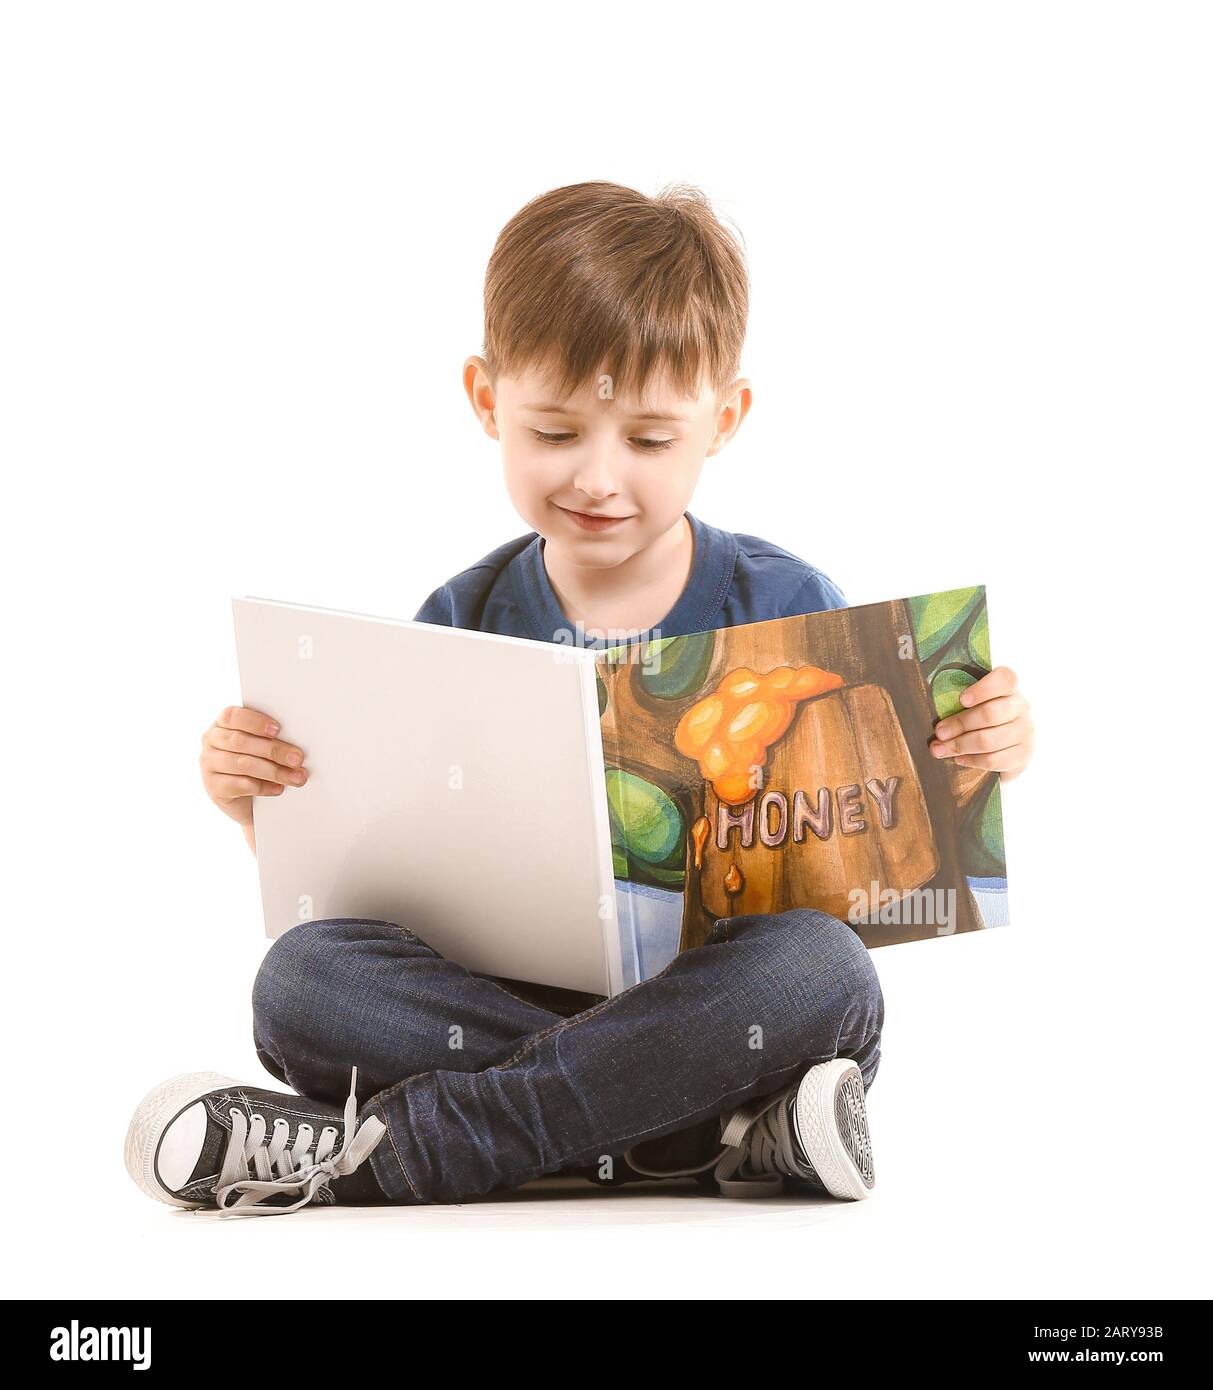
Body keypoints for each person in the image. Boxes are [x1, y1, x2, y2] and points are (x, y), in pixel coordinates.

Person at [125, 181, 1034, 1216]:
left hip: (726, 1004)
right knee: (302, 982)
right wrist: (262, 813)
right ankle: (711, 1135)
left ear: (724, 419)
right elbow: (382, 886)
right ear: (485, 400)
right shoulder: (455, 620)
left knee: (819, 972)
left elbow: (877, 851)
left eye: (648, 441)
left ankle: (407, 1151)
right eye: (555, 432)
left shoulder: (791, 605)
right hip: (513, 1007)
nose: (599, 478)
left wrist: (975, 754)